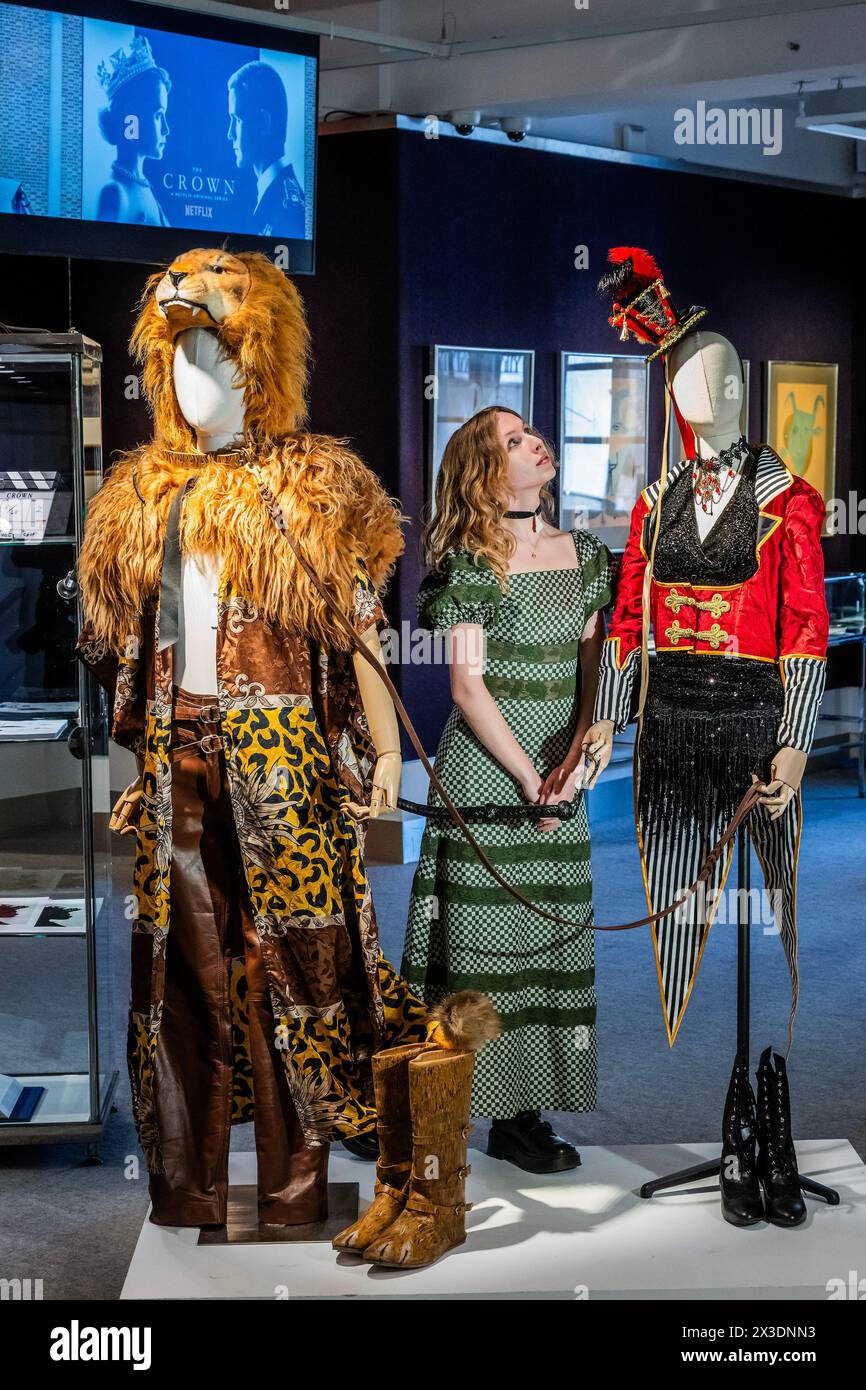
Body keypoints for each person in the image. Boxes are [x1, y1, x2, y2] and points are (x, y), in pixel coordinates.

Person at [402, 405, 612, 1173]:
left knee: (546, 946)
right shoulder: (470, 563)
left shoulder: (588, 556)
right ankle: (441, 1126)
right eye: (515, 442)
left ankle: (520, 1120)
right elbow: (466, 687)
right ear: (486, 474)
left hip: (564, 773)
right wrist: (532, 783)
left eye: (532, 433)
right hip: (492, 775)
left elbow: (597, 676)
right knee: (480, 954)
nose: (536, 444)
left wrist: (579, 768)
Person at [95, 35, 171, 227]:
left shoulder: (142, 183)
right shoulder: (114, 192)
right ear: (131, 117)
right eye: (157, 115)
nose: (166, 129)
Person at [227, 62, 305, 238]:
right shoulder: (274, 193)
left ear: (263, 122)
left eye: (237, 120)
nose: (229, 134)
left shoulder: (287, 211)